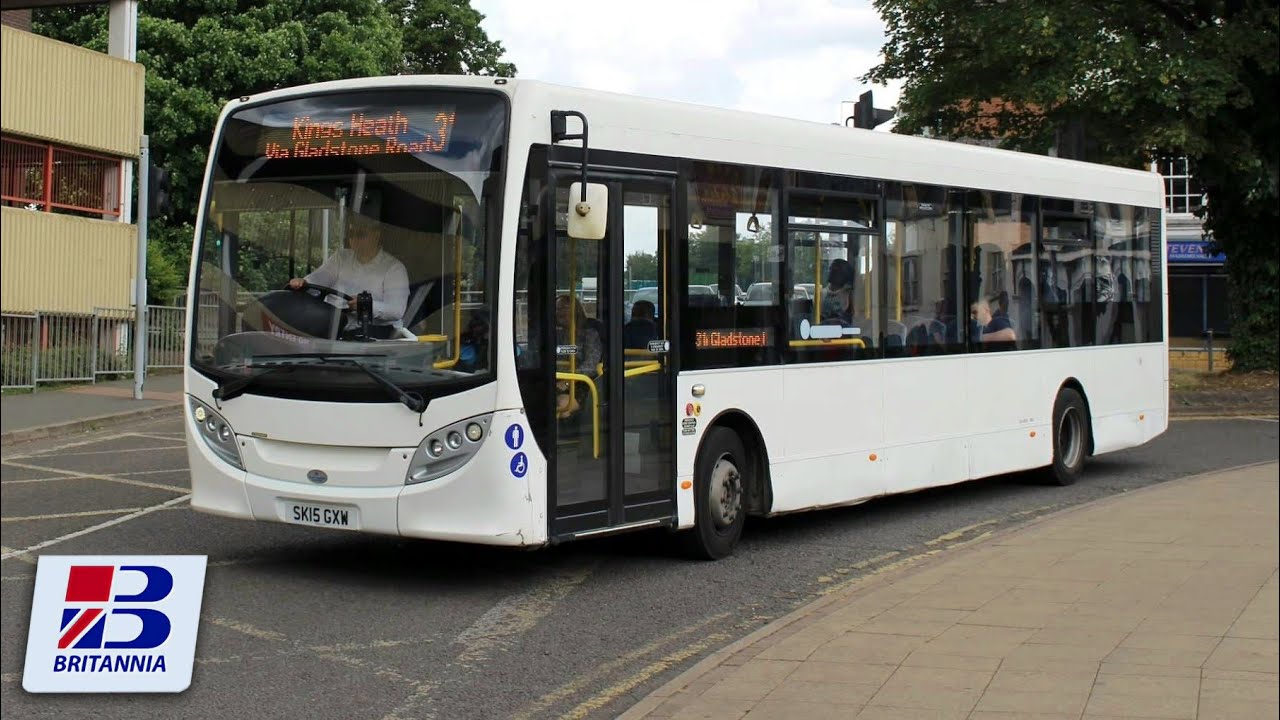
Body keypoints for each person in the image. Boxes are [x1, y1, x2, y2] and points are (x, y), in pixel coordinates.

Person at [288, 215, 409, 338]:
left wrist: (365, 305)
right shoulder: (341, 258)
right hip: (331, 328)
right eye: (351, 234)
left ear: (376, 235)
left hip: (374, 334)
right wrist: (303, 282)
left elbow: (396, 310)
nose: (354, 239)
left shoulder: (394, 268)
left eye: (360, 234)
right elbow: (321, 277)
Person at [554, 295, 603, 417]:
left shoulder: (589, 334)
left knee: (563, 405)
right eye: (557, 309)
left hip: (581, 382)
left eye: (565, 308)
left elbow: (590, 366)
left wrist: (567, 382)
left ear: (576, 311)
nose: (560, 312)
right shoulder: (555, 334)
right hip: (556, 379)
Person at [820, 258, 855, 326]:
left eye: (837, 270)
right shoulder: (821, 294)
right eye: (831, 269)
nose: (832, 272)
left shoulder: (849, 294)